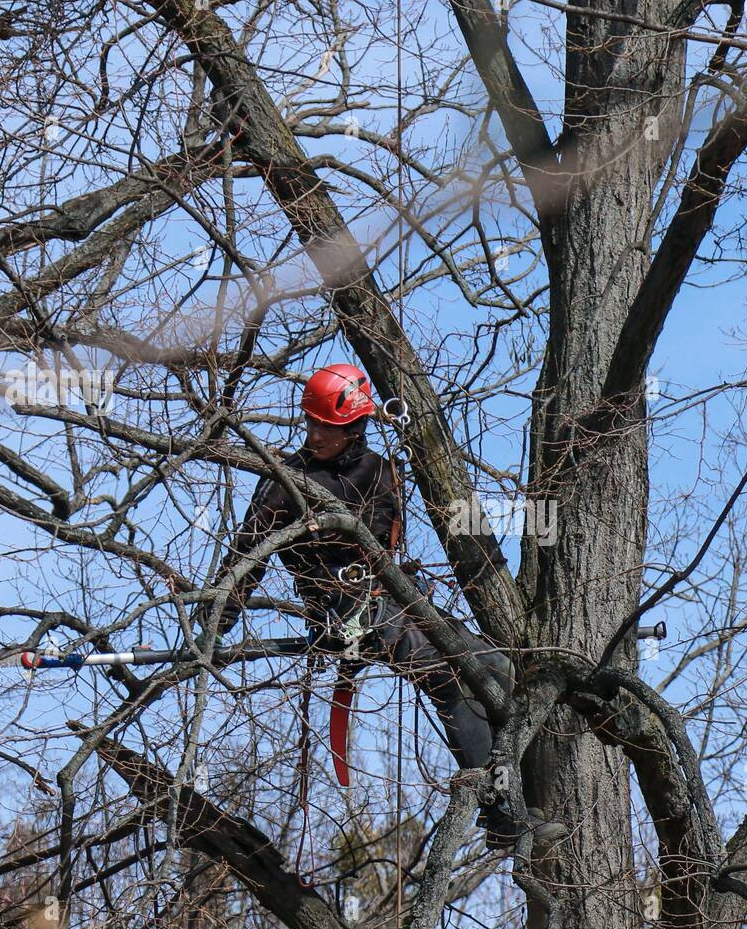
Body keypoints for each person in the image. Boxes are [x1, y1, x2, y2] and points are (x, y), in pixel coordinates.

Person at [194, 362, 560, 849]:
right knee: (461, 675)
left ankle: (510, 801)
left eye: (330, 425)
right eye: (311, 422)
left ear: (357, 426)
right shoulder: (286, 481)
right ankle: (503, 816)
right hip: (343, 612)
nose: (317, 433)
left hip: (394, 601)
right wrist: (214, 626)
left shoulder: (382, 472)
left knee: (499, 666)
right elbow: (244, 559)